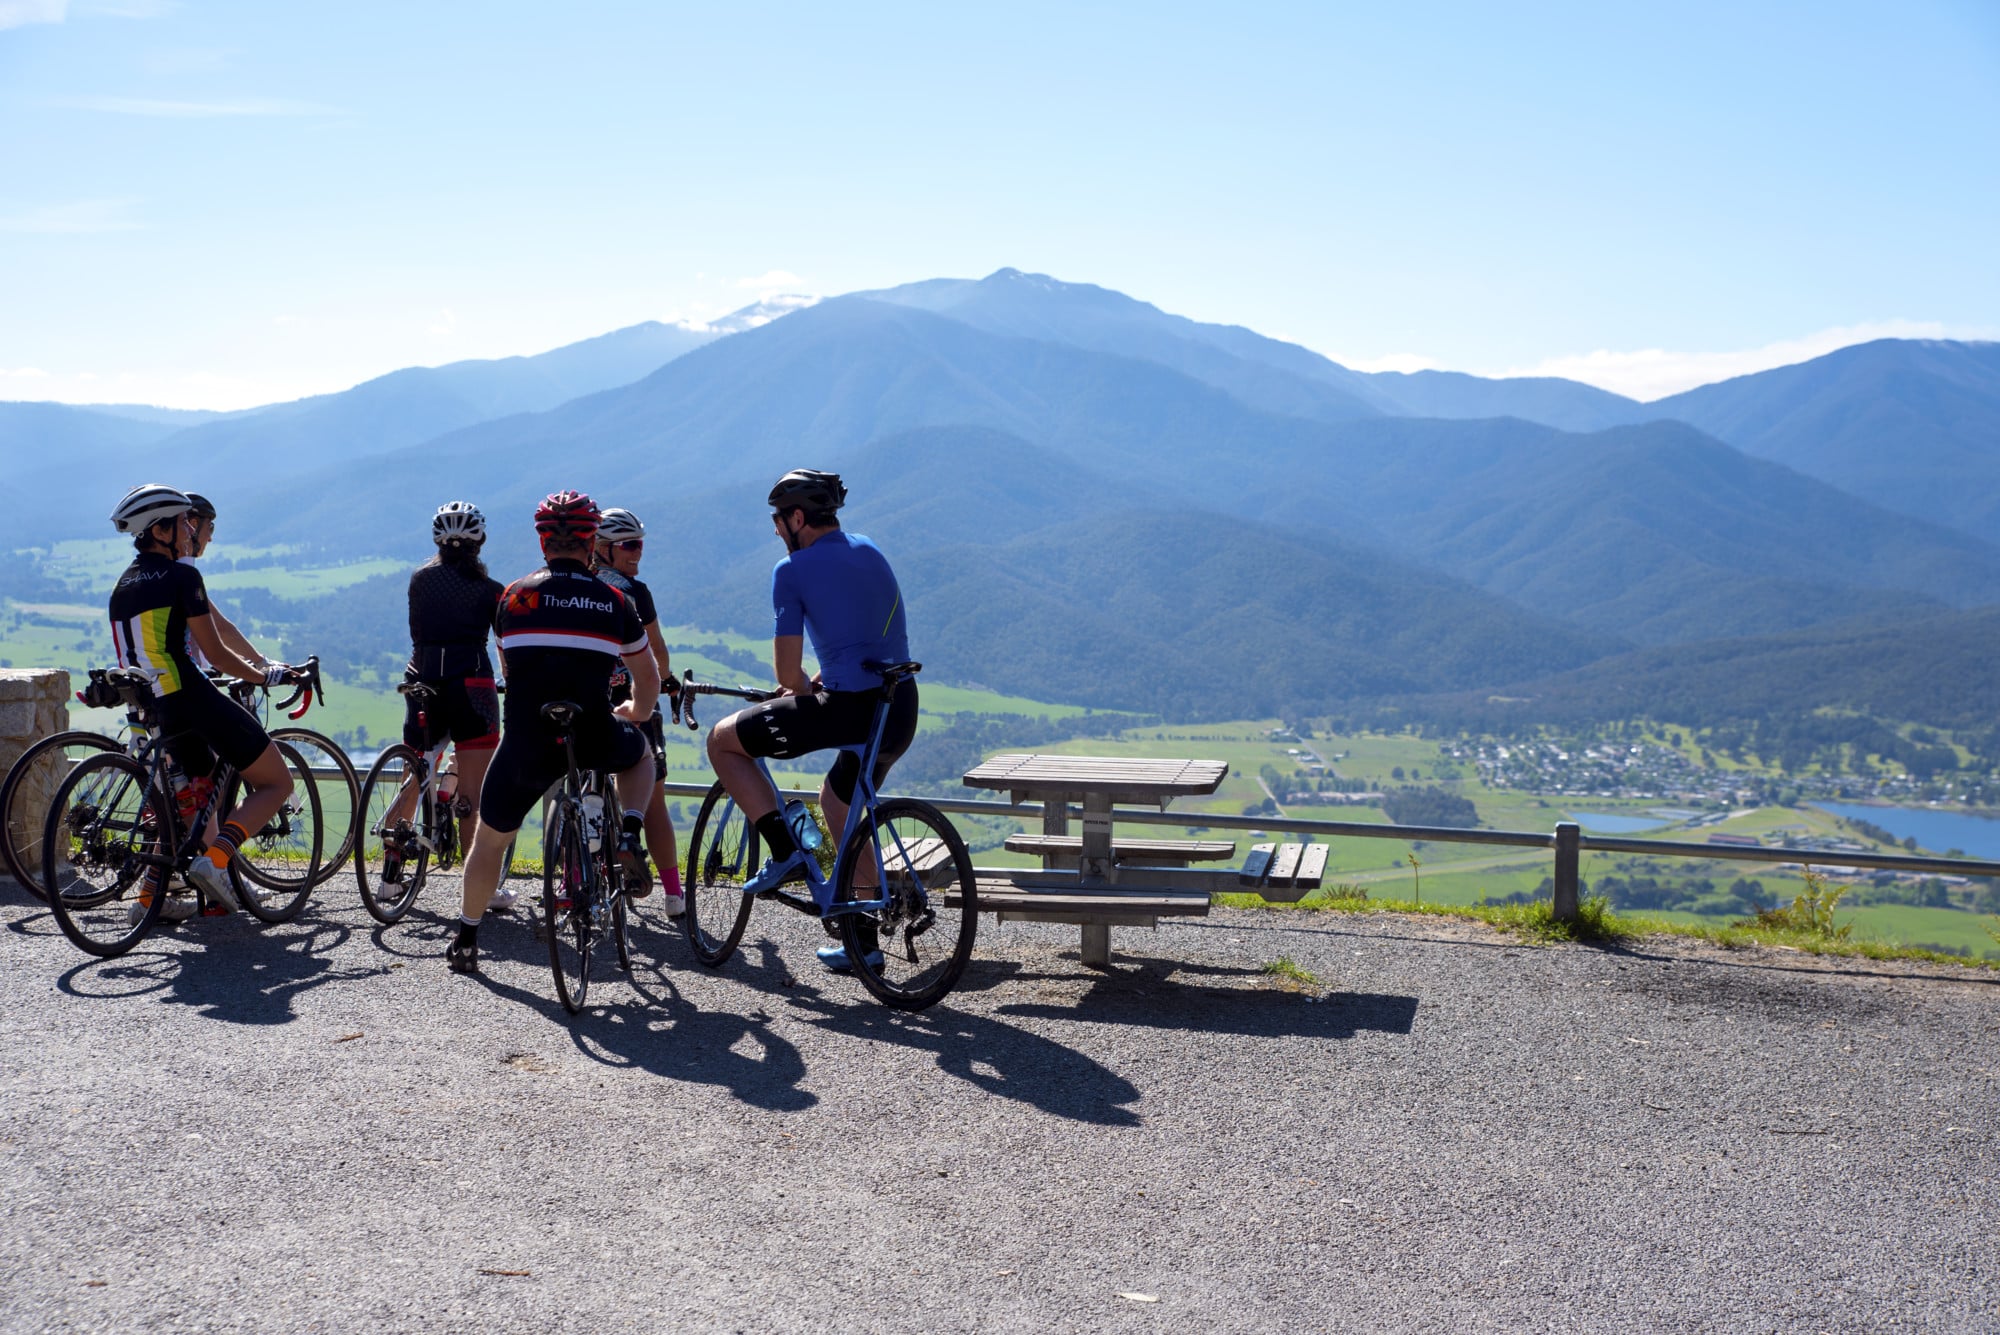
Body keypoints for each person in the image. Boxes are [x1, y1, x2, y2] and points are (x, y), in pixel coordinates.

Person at [704, 469, 917, 971]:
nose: (777, 531)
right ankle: (861, 940)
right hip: (900, 705)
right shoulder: (868, 548)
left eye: (779, 522)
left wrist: (799, 690)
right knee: (838, 805)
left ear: (797, 518)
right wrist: (827, 676)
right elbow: (867, 637)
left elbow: (785, 673)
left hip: (851, 710)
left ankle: (786, 852)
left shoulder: (791, 571)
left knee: (723, 741)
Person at [446, 490, 660, 975]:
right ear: (591, 543)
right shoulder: (614, 600)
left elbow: (510, 668)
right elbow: (647, 679)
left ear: (543, 542)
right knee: (640, 753)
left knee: (489, 840)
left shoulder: (512, 596)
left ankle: (466, 938)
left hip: (526, 740)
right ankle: (628, 830)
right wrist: (634, 710)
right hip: (596, 731)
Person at [105, 484, 300, 922]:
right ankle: (216, 863)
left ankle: (151, 901)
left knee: (192, 803)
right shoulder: (183, 577)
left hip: (155, 705)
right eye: (183, 522)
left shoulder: (122, 584)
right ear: (161, 529)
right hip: (190, 696)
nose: (190, 530)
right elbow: (216, 654)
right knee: (276, 783)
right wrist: (262, 673)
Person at [384, 501, 504, 888]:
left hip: (421, 683)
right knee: (473, 795)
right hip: (471, 688)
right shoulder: (491, 590)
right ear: (480, 540)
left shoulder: (419, 579)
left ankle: (389, 874)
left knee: (416, 773)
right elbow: (504, 648)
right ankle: (479, 887)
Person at [592, 507, 684, 914]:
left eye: (640, 544)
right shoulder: (635, 592)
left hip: (586, 701)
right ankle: (674, 896)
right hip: (634, 701)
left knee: (579, 792)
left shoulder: (582, 585)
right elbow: (656, 651)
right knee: (654, 800)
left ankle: (573, 879)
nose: (637, 553)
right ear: (602, 548)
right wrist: (666, 678)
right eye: (629, 545)